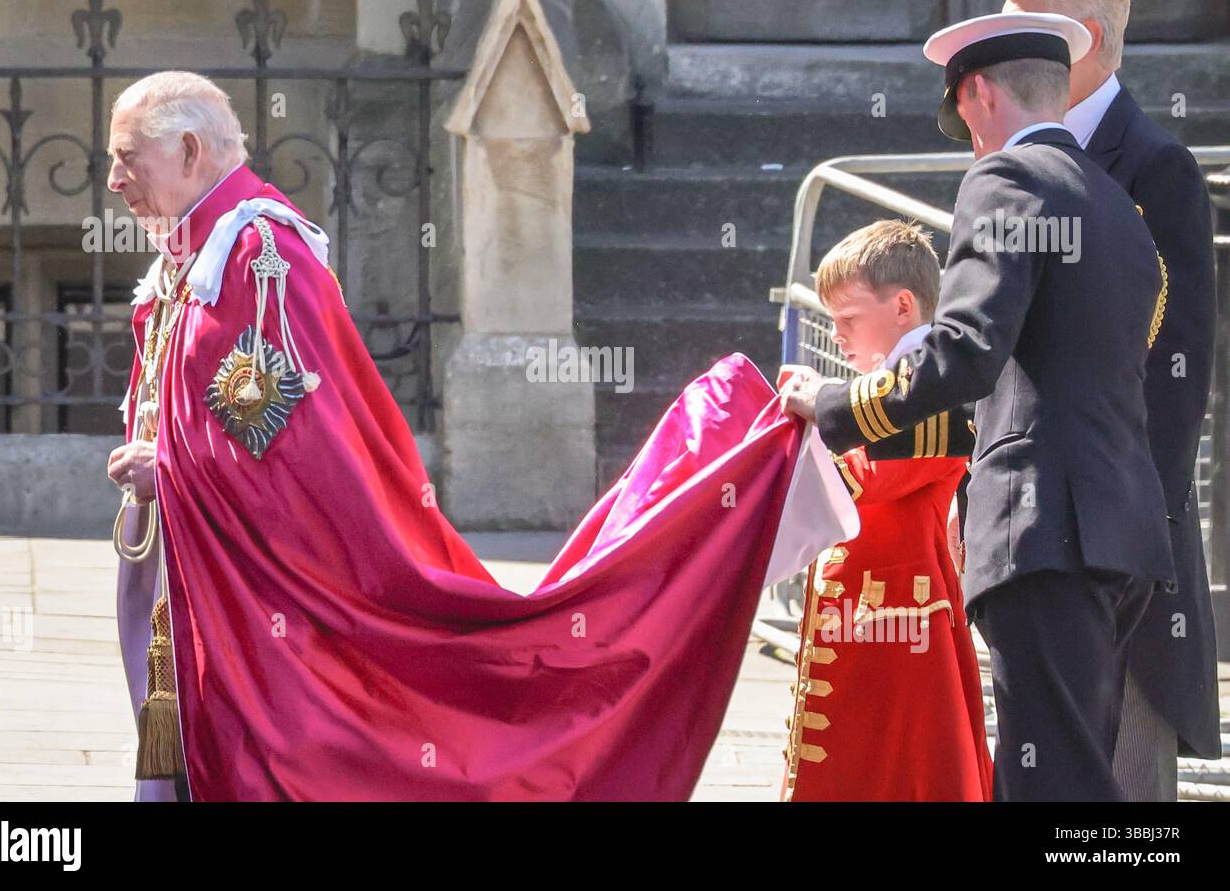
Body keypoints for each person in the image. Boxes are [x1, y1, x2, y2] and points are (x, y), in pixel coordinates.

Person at [103, 71, 857, 800]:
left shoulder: (262, 258)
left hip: (269, 618)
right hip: (198, 589)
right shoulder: (203, 257)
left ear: (190, 153)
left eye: (126, 159)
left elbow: (300, 454)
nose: (114, 181)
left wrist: (170, 472)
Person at [780, 11, 1174, 801]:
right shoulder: (1116, 205)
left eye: (960, 110)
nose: (967, 132)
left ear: (980, 94)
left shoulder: (1007, 180)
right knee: (1078, 776)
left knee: (1052, 788)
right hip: (1124, 525)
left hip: (1046, 528)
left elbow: (964, 348)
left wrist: (834, 402)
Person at [996, 0, 1221, 800]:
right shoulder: (1010, 156)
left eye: (1020, 28)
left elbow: (1178, 372)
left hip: (1118, 553)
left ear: (1082, 40)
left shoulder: (1155, 167)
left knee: (1119, 805)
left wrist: (1136, 551)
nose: (995, 48)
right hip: (1029, 538)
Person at [779, 220, 991, 802]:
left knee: (900, 770)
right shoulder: (876, 388)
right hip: (872, 624)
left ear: (903, 305)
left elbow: (871, 477)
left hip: (903, 625)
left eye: (848, 319)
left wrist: (817, 413)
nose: (839, 335)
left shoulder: (930, 385)